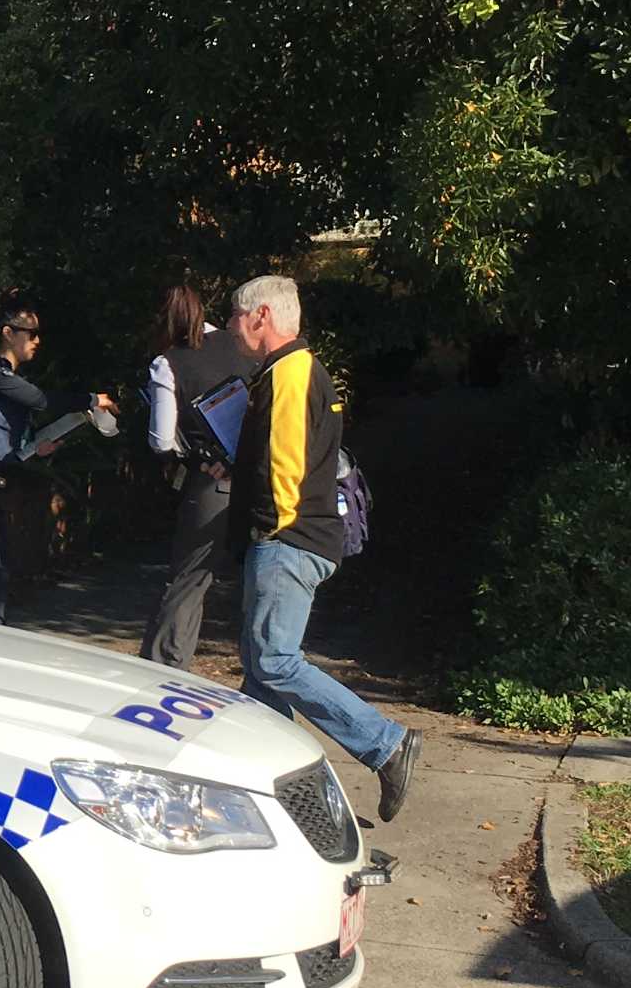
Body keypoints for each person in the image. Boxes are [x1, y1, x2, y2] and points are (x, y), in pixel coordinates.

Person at [225, 274, 422, 821]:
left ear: (261, 316)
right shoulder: (292, 371)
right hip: (296, 537)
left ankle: (386, 744)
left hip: (288, 538)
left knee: (273, 659)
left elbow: (286, 461)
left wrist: (272, 527)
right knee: (261, 678)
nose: (233, 330)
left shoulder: (290, 371)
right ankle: (284, 797)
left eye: (237, 318)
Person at [0, 291, 115, 626]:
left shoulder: (4, 383)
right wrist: (94, 399)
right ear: (8, 333)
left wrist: (32, 451)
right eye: (30, 333)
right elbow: (40, 400)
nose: (37, 341)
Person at [142, 282, 257, 674]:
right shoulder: (235, 343)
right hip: (262, 475)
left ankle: (163, 669)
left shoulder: (167, 363)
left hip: (213, 481)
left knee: (189, 579)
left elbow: (160, 439)